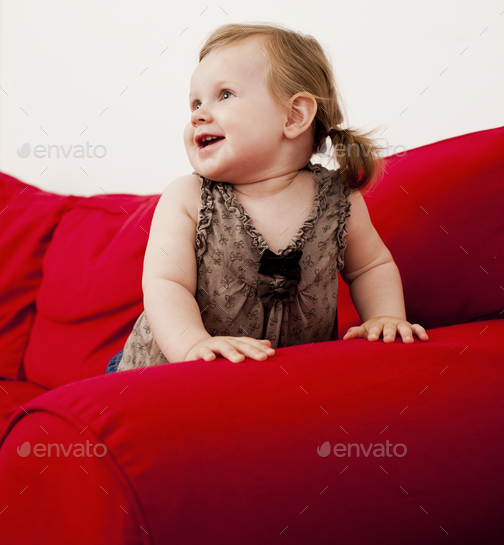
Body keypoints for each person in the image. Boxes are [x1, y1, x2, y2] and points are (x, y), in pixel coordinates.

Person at [105, 22, 428, 374]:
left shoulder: (338, 200)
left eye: (224, 95)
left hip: (278, 381)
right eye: (195, 102)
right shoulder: (188, 197)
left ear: (294, 116)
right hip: (168, 371)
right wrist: (193, 345)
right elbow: (166, 284)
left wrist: (385, 317)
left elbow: (371, 267)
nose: (198, 114)